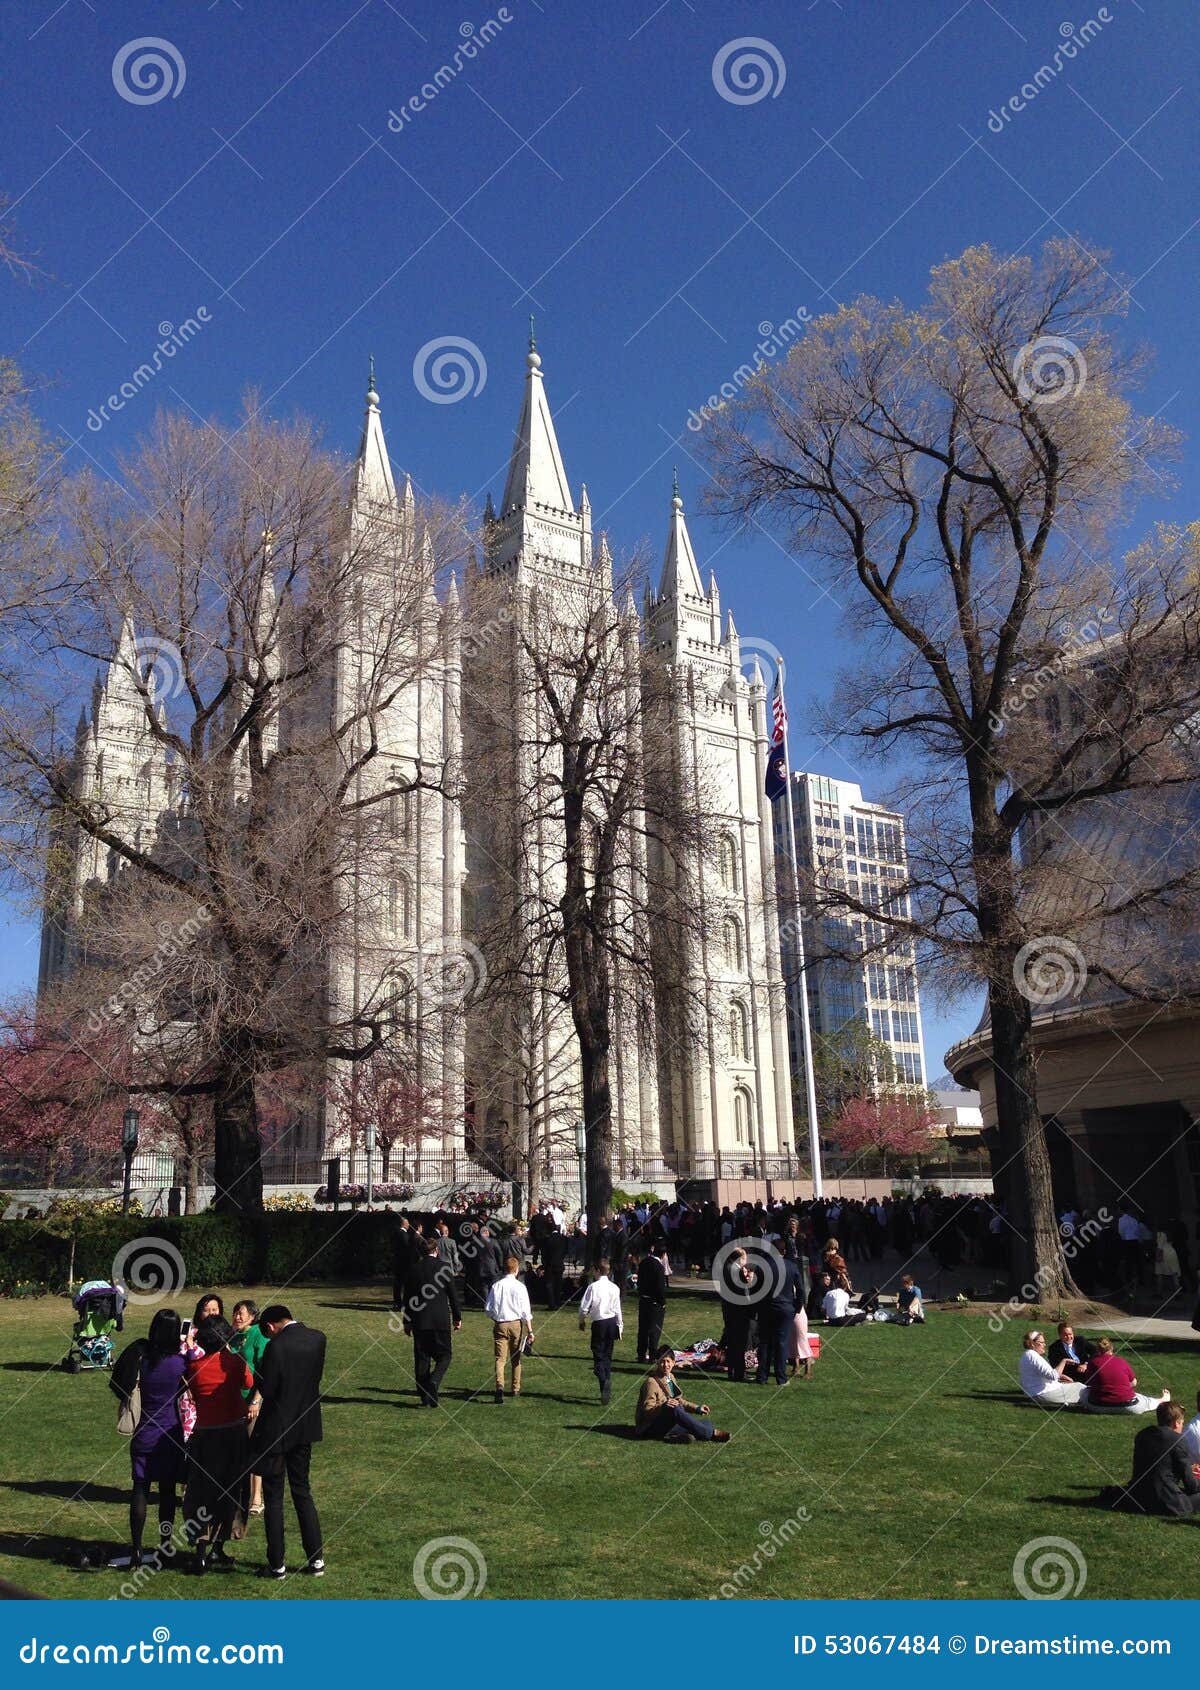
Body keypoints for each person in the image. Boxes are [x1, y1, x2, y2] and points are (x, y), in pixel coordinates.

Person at [250, 1305, 327, 1580]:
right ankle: (316, 1558)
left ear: (270, 1327)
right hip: (305, 1425)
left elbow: (269, 1390)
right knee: (302, 1491)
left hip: (277, 1429)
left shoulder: (276, 1348)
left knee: (274, 1498)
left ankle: (277, 1563)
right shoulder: (318, 1338)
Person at [110, 1309, 187, 1569]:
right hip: (170, 1433)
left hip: (144, 1431)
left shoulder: (143, 1360)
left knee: (140, 1490)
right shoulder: (180, 1363)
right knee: (167, 1493)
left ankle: (136, 1547)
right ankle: (165, 1544)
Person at [183, 1317, 253, 1574]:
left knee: (202, 1492)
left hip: (204, 1435)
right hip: (232, 1434)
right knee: (231, 1491)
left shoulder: (194, 1367)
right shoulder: (234, 1363)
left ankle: (200, 1548)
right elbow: (247, 1383)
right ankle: (218, 1547)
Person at [402, 1234, 462, 1406]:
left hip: (420, 1319)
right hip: (440, 1319)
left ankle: (424, 1394)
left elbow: (407, 1298)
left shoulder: (413, 1269)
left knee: (422, 1358)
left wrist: (406, 1320)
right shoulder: (444, 1268)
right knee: (445, 1355)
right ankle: (434, 1382)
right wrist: (457, 1317)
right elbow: (453, 1295)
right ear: (436, 1250)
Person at [1111, 1400, 1200, 1515]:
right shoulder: (1177, 1440)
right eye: (1182, 1422)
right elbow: (1191, 1486)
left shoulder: (1142, 1434)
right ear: (1176, 1423)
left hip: (1138, 1497)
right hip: (1166, 1502)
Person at [635, 1346, 731, 1444]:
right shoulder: (651, 1383)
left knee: (706, 1423)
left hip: (667, 1423)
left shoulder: (669, 1377)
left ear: (673, 1362)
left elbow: (678, 1400)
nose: (665, 1365)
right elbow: (647, 1412)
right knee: (674, 1408)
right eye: (662, 1361)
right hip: (649, 1428)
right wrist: (663, 1406)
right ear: (657, 1363)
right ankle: (711, 1434)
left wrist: (697, 1408)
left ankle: (675, 1437)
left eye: (668, 1361)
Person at [228, 1300, 269, 1523]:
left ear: (253, 1317)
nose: (237, 1317)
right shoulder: (233, 1336)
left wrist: (256, 1400)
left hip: (252, 1403)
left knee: (254, 1451)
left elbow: (265, 1369)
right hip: (234, 1403)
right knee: (237, 1452)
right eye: (235, 1313)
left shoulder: (258, 1335)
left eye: (242, 1314)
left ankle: (256, 1497)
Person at [484, 1256, 534, 1403]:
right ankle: (515, 1388)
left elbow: (488, 1309)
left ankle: (500, 1386)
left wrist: (496, 1318)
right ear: (516, 1270)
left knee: (500, 1359)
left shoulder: (496, 1286)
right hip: (516, 1324)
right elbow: (526, 1311)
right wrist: (530, 1331)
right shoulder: (520, 1287)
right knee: (516, 1357)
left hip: (500, 1323)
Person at [1081, 1337, 1169, 1414]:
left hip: (1098, 1406)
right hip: (1128, 1406)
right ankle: (1162, 1400)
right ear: (1111, 1349)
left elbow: (1089, 1382)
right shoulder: (1121, 1361)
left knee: (1083, 1391)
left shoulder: (1092, 1362)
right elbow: (1134, 1382)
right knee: (1142, 1399)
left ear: (1098, 1350)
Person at [578, 1258, 623, 1405]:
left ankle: (603, 1381)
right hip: (611, 1322)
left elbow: (584, 1307)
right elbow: (618, 1309)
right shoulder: (615, 1288)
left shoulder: (593, 1287)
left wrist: (582, 1320)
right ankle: (605, 1388)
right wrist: (620, 1326)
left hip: (599, 1323)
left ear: (597, 1271)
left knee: (598, 1354)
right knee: (607, 1356)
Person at [756, 1250, 804, 1385]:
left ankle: (762, 1376)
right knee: (782, 1343)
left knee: (765, 1342)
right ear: (783, 1251)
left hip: (766, 1307)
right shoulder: (791, 1266)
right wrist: (798, 1307)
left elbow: (756, 1289)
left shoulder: (763, 1266)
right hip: (785, 1307)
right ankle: (781, 1377)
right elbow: (800, 1289)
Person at [1018, 1329, 1086, 1408]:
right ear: (1033, 1344)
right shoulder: (1033, 1356)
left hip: (1036, 1392)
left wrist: (1060, 1377)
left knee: (1078, 1386)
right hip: (1043, 1393)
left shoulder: (1027, 1355)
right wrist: (1064, 1361)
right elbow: (1053, 1376)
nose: (1044, 1345)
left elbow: (1043, 1374)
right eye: (1042, 1342)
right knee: (1081, 1388)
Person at [718, 1247, 752, 1382]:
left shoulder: (727, 1268)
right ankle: (739, 1372)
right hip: (738, 1311)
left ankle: (732, 1371)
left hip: (729, 1310)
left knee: (732, 1342)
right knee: (739, 1343)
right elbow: (744, 1291)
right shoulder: (736, 1271)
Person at [634, 1246, 668, 1363]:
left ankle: (641, 1353)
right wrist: (662, 1302)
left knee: (643, 1328)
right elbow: (660, 1287)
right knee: (654, 1329)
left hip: (644, 1299)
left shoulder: (644, 1262)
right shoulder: (659, 1267)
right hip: (655, 1302)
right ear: (663, 1255)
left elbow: (639, 1281)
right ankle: (653, 1354)